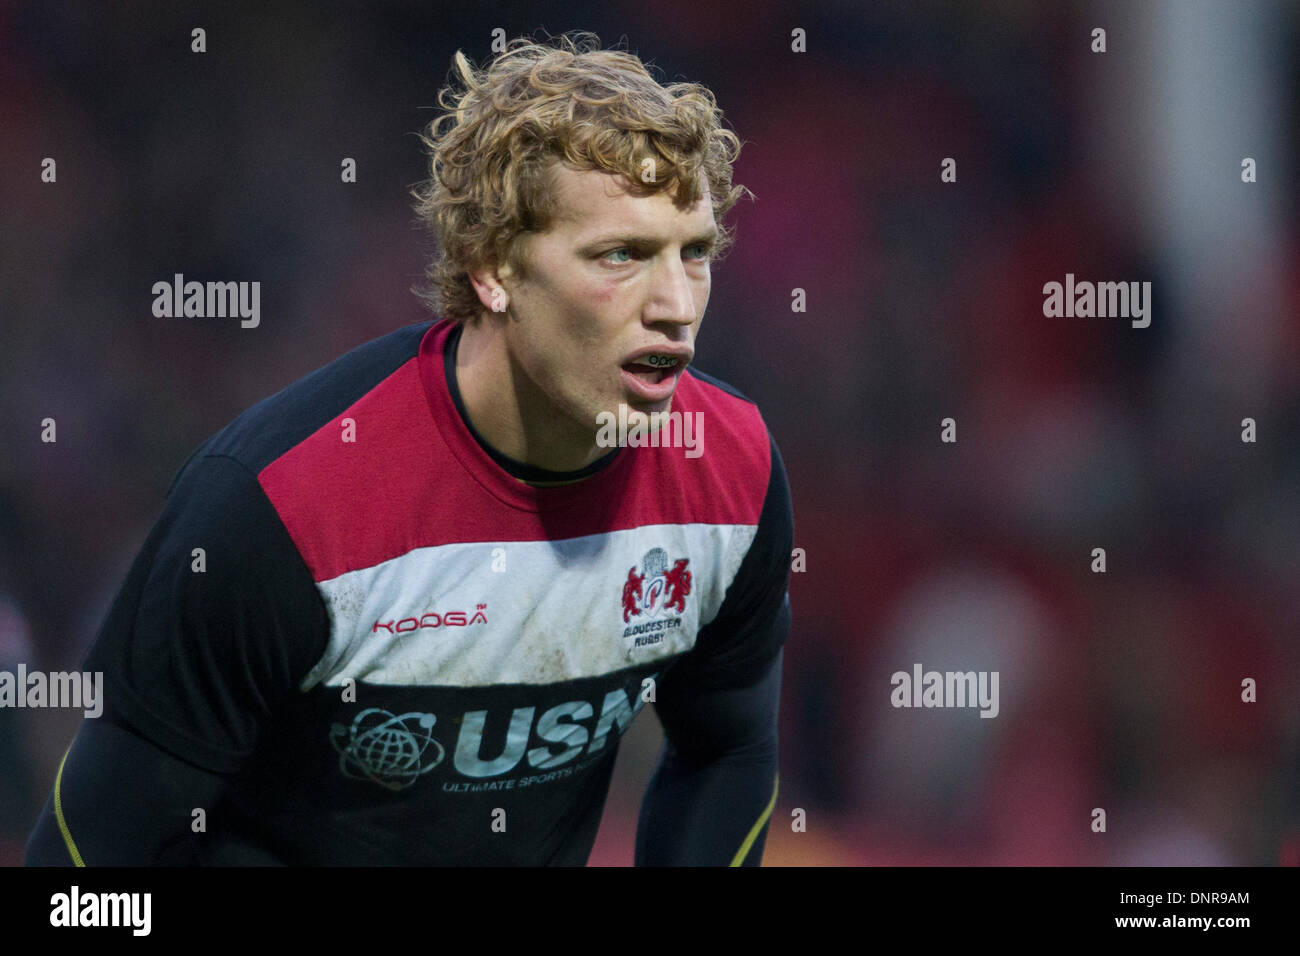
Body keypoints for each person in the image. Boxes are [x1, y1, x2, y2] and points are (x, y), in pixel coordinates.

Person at [26, 30, 793, 866]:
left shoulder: (732, 475)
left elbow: (728, 751)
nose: (677, 305)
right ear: (491, 268)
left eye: (695, 254)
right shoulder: (276, 507)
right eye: (622, 255)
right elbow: (85, 868)